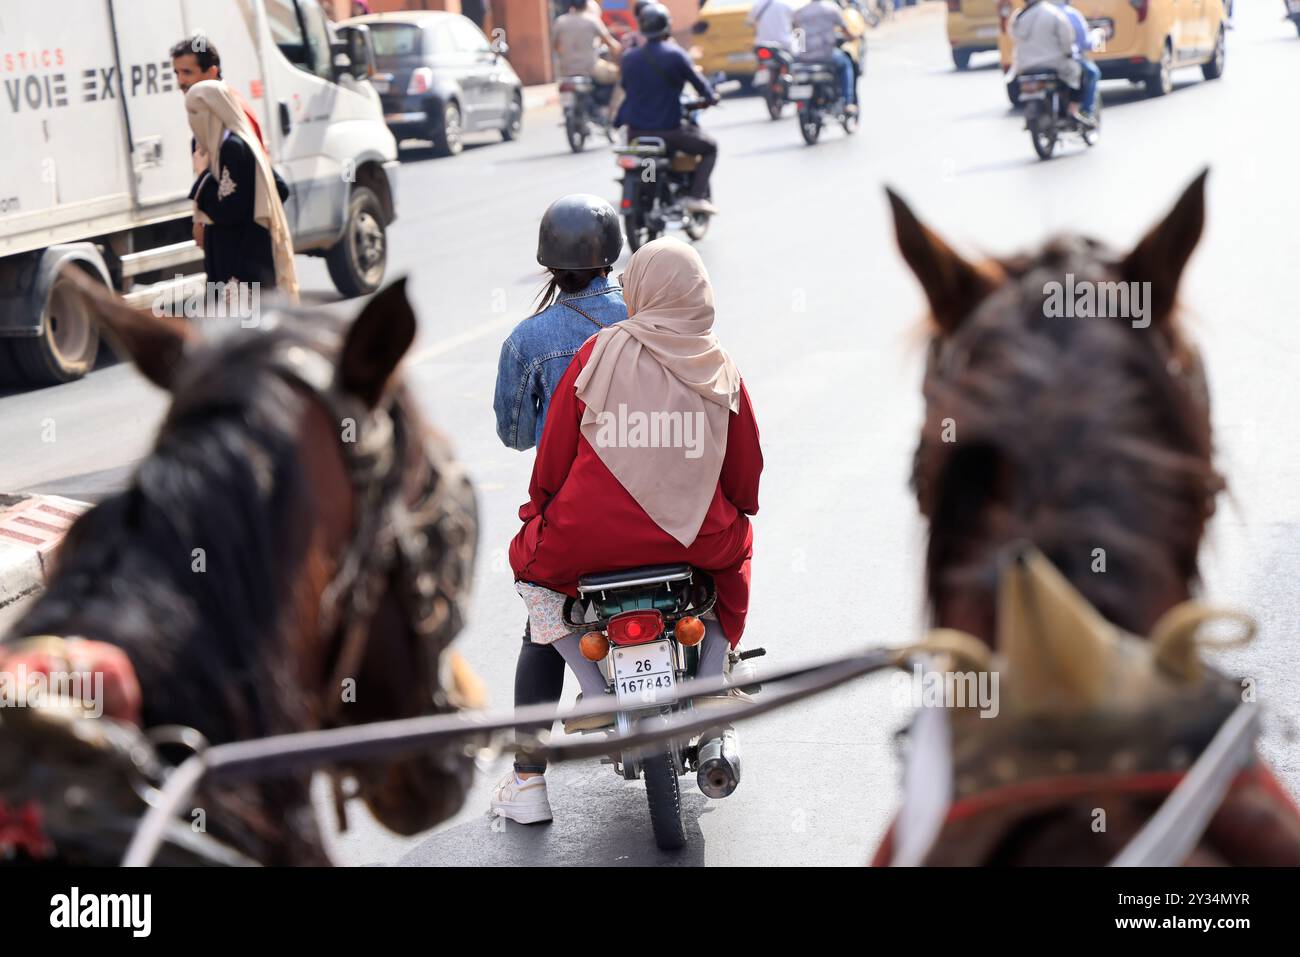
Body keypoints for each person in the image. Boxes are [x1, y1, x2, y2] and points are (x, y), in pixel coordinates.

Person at [492, 236, 763, 824]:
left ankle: (592, 691)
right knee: (734, 551)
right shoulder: (722, 366)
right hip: (693, 536)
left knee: (533, 579)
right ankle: (712, 675)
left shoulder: (598, 353)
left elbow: (553, 458)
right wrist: (729, 512)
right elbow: (745, 477)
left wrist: (539, 515)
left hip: (585, 538)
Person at [489, 196, 628, 823]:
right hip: (672, 518)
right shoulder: (648, 318)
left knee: (541, 627)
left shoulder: (529, 340)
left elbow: (516, 436)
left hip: (573, 529)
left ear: (548, 263)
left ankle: (527, 783)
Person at [186, 81, 299, 302]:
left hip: (240, 272)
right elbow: (277, 189)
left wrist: (202, 176)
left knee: (246, 334)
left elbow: (228, 211)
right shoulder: (226, 146)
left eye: (195, 112)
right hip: (237, 268)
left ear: (214, 112)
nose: (192, 120)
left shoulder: (233, 148)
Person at [615, 3, 720, 216]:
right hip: (669, 132)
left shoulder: (629, 58)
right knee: (710, 147)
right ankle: (696, 197)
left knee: (648, 165)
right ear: (666, 27)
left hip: (636, 133)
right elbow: (701, 86)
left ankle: (650, 190)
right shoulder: (675, 54)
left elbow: (626, 87)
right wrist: (711, 98)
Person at [1010, 0, 1090, 125]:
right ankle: (1073, 111)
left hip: (1024, 65)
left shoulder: (1017, 16)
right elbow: (1067, 38)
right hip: (1053, 63)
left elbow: (1013, 37)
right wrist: (1068, 53)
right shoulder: (1053, 13)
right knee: (1079, 72)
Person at [553, 0, 623, 116]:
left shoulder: (560, 21)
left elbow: (555, 46)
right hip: (591, 68)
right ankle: (611, 114)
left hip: (566, 70)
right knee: (620, 76)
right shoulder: (592, 20)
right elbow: (611, 44)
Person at [792, 0, 857, 114]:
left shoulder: (800, 12)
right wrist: (853, 37)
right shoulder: (831, 9)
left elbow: (796, 34)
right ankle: (848, 102)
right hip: (826, 56)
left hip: (804, 57)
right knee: (846, 63)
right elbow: (846, 30)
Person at [1054, 0, 1100, 122]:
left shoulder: (1040, 14)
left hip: (1041, 62)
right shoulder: (1071, 14)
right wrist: (1096, 36)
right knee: (1092, 73)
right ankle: (1085, 112)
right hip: (1066, 61)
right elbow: (1085, 43)